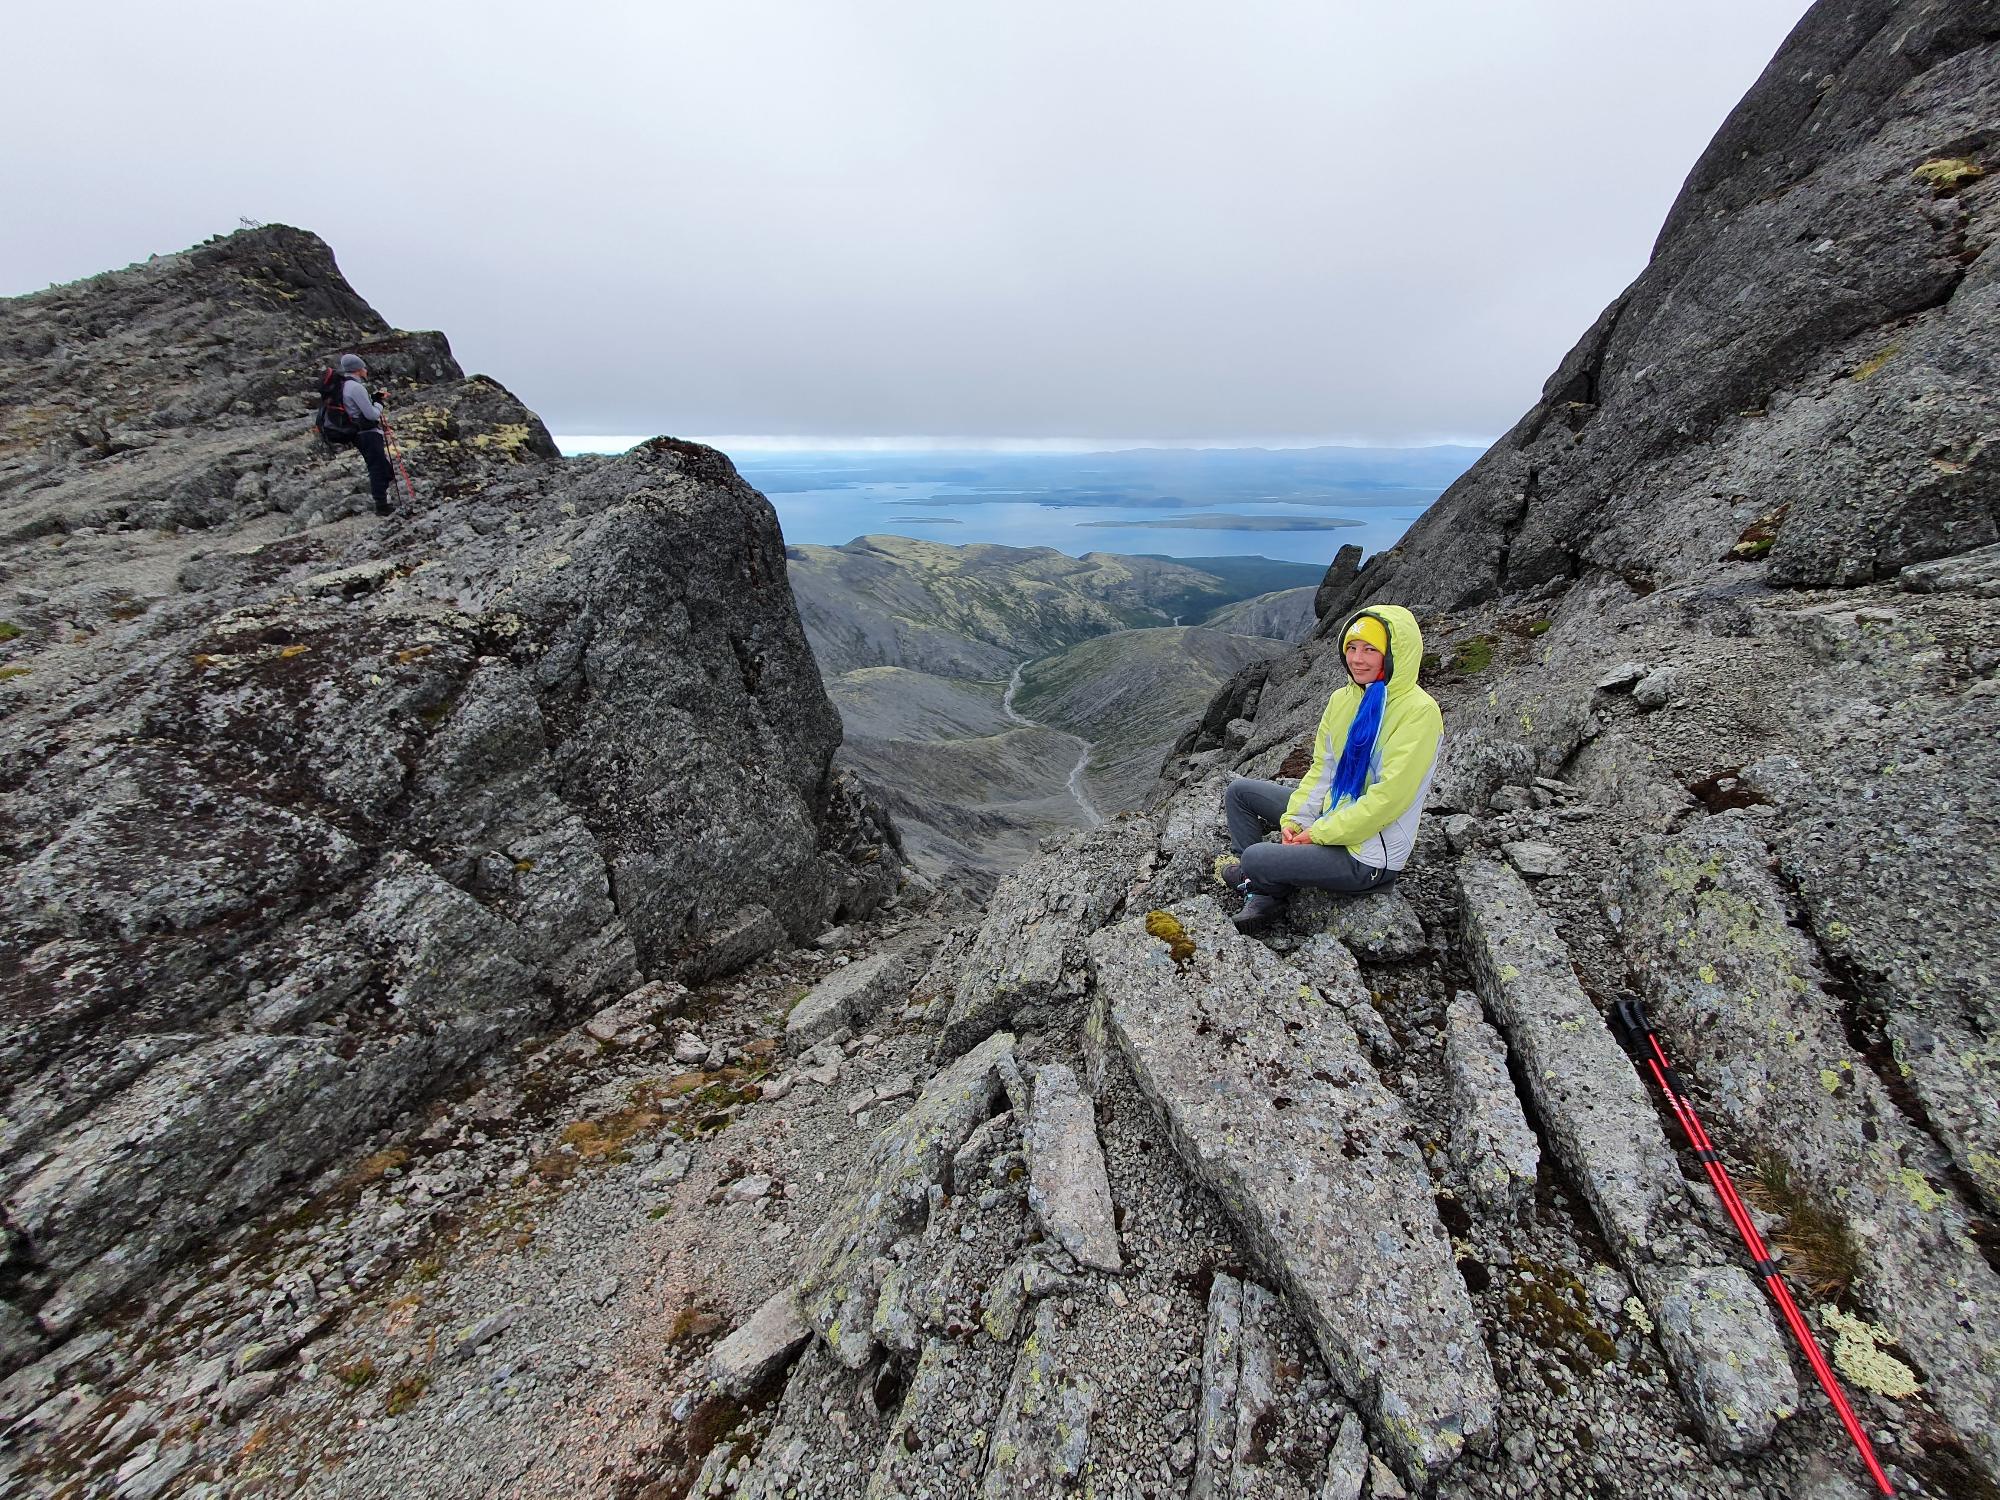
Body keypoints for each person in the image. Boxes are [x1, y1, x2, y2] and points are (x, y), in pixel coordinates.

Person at [1216, 603, 1443, 933]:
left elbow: (1388, 800)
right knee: (1240, 793)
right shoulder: (1344, 699)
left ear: (1394, 654)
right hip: (1335, 812)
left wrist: (1317, 834)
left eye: (1370, 650)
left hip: (1367, 856)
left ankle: (1262, 885)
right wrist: (1297, 820)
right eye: (1351, 647)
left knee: (1255, 857)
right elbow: (1324, 770)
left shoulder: (1418, 712)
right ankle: (1261, 879)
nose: (1357, 659)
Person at [334, 353, 397, 516]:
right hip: (368, 433)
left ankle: (384, 502)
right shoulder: (356, 387)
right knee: (378, 468)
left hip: (358, 433)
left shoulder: (343, 386)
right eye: (363, 367)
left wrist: (373, 399)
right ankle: (382, 505)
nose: (366, 370)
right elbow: (371, 414)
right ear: (357, 369)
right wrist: (379, 404)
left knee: (381, 466)